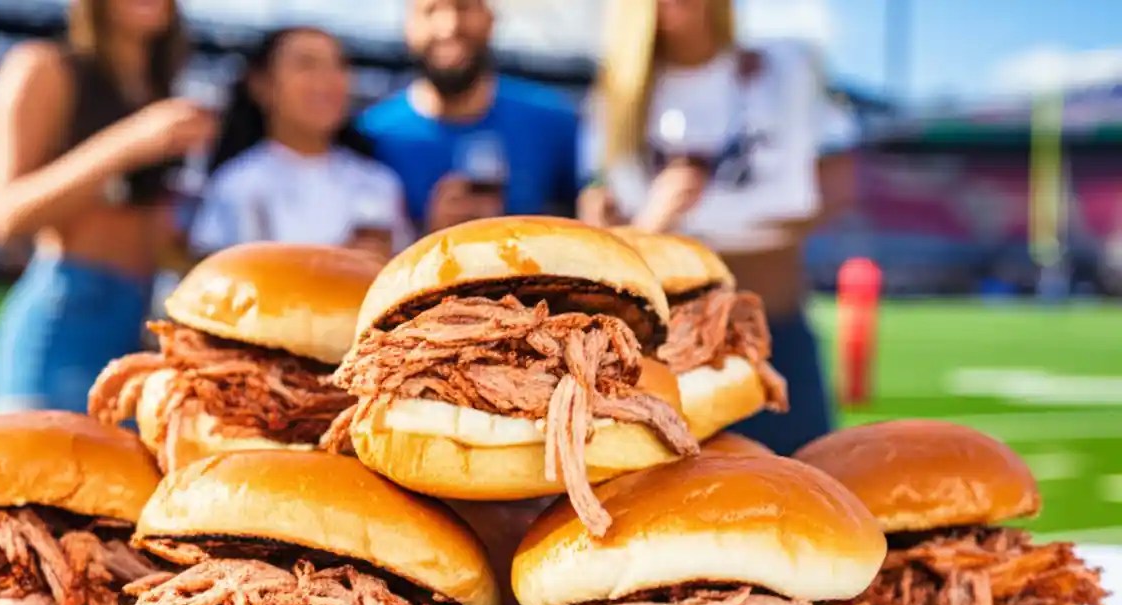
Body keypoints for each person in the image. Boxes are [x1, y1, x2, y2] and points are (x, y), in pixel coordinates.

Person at [580, 0, 858, 455]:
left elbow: (836, 189)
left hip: (775, 333)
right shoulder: (615, 96)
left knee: (806, 497)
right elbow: (598, 226)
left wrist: (694, 222)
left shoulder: (787, 68)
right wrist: (654, 221)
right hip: (660, 353)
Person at [0, 0, 215, 414]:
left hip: (143, 323)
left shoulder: (160, 84)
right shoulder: (42, 66)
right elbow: (3, 216)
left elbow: (154, 231)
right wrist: (130, 142)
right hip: (67, 315)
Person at [359, 0, 580, 232]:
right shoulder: (371, 137)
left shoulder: (553, 123)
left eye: (463, 7)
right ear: (409, 25)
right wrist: (433, 238)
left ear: (491, 18)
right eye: (430, 10)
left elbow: (585, 227)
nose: (449, 26)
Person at [192, 27, 413, 258]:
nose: (326, 80)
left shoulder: (378, 182)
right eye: (306, 65)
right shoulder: (236, 184)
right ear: (262, 85)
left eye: (338, 65)